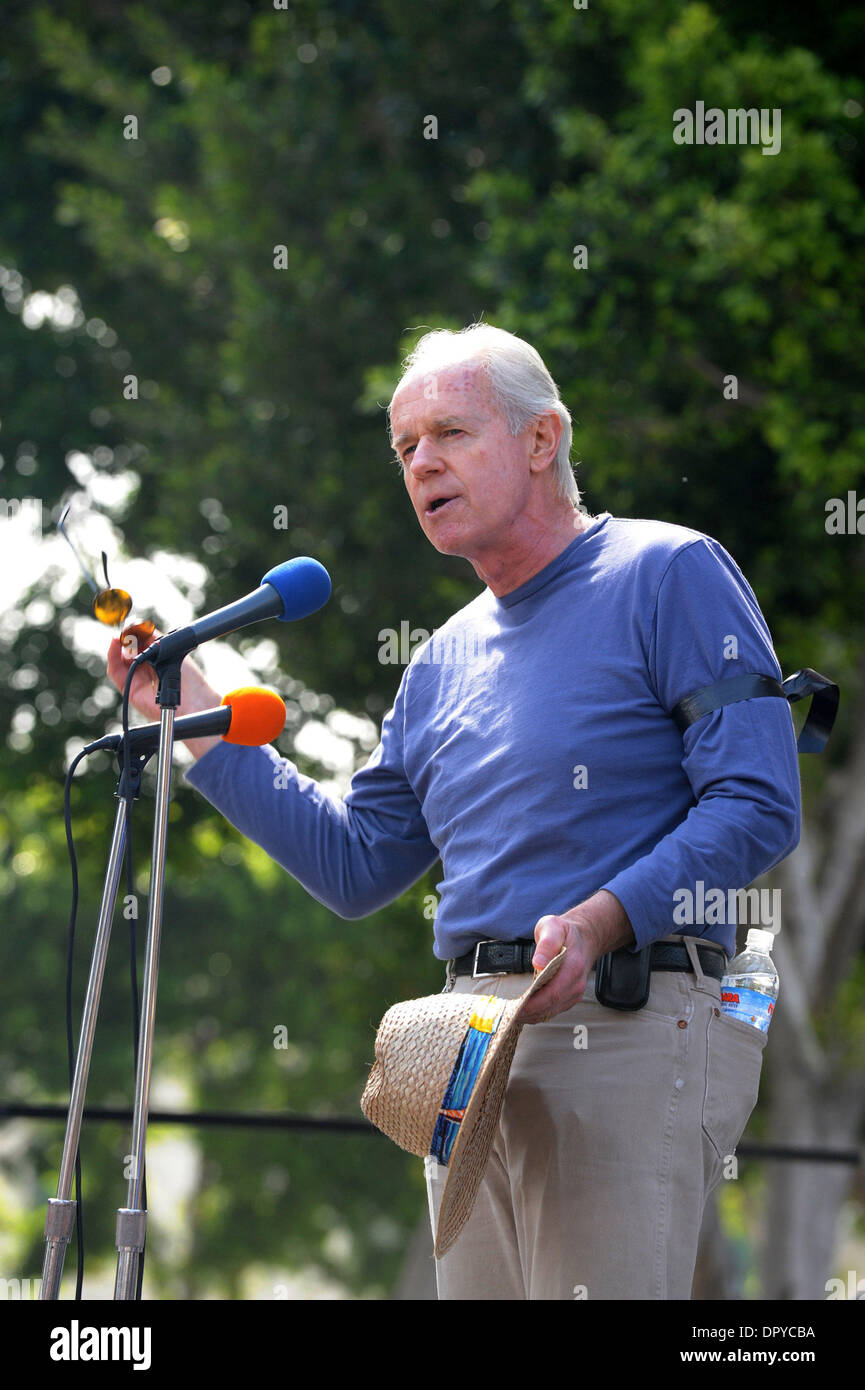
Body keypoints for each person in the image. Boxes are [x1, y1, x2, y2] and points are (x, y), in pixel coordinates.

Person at [108, 323, 801, 1300]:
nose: (421, 461)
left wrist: (602, 918)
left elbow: (758, 803)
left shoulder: (667, 571)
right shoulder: (437, 664)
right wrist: (199, 722)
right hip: (466, 1051)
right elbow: (356, 865)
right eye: (404, 447)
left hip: (625, 1018)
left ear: (540, 438)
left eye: (448, 433)